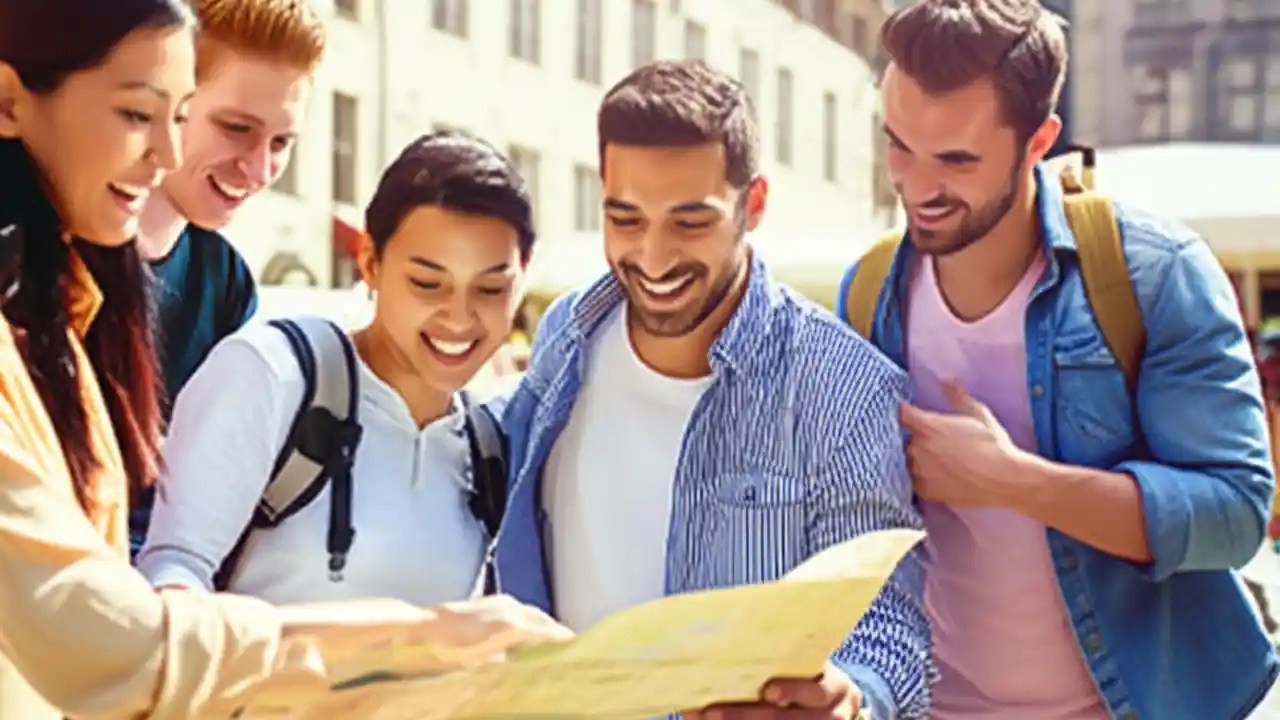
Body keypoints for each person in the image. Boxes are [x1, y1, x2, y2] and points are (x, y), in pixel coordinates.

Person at [0, 7, 566, 719]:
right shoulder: (269, 365)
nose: (171, 155)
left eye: (283, 142)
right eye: (141, 114)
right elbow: (118, 633)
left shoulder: (174, 289)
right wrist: (414, 637)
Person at [834, 1, 1277, 717]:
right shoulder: (869, 295)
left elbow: (1235, 513)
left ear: (1038, 140)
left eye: (955, 159)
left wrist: (1015, 482)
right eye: (898, 145)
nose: (916, 185)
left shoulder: (1153, 273)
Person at [495, 60, 932, 720]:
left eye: (689, 222)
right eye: (626, 218)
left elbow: (890, 624)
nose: (654, 256)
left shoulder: (842, 389)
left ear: (752, 206)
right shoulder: (566, 337)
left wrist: (852, 700)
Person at [138, 131, 533, 606]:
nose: (459, 317)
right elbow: (171, 574)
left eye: (490, 289)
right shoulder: (273, 375)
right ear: (370, 262)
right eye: (428, 283)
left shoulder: (489, 444)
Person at [129, 0, 325, 557]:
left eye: (282, 143)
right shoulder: (42, 247)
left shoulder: (227, 282)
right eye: (237, 128)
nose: (259, 169)